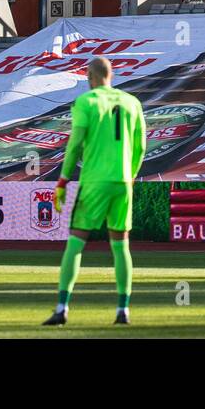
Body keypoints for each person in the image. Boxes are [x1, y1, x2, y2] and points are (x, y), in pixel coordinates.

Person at [43, 57, 147, 327]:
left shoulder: (86, 102)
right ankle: (123, 310)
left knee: (76, 241)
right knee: (120, 244)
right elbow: (142, 146)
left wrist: (63, 180)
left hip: (94, 181)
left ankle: (62, 307)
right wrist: (131, 175)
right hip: (123, 181)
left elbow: (75, 144)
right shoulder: (132, 102)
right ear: (111, 75)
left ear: (90, 76)